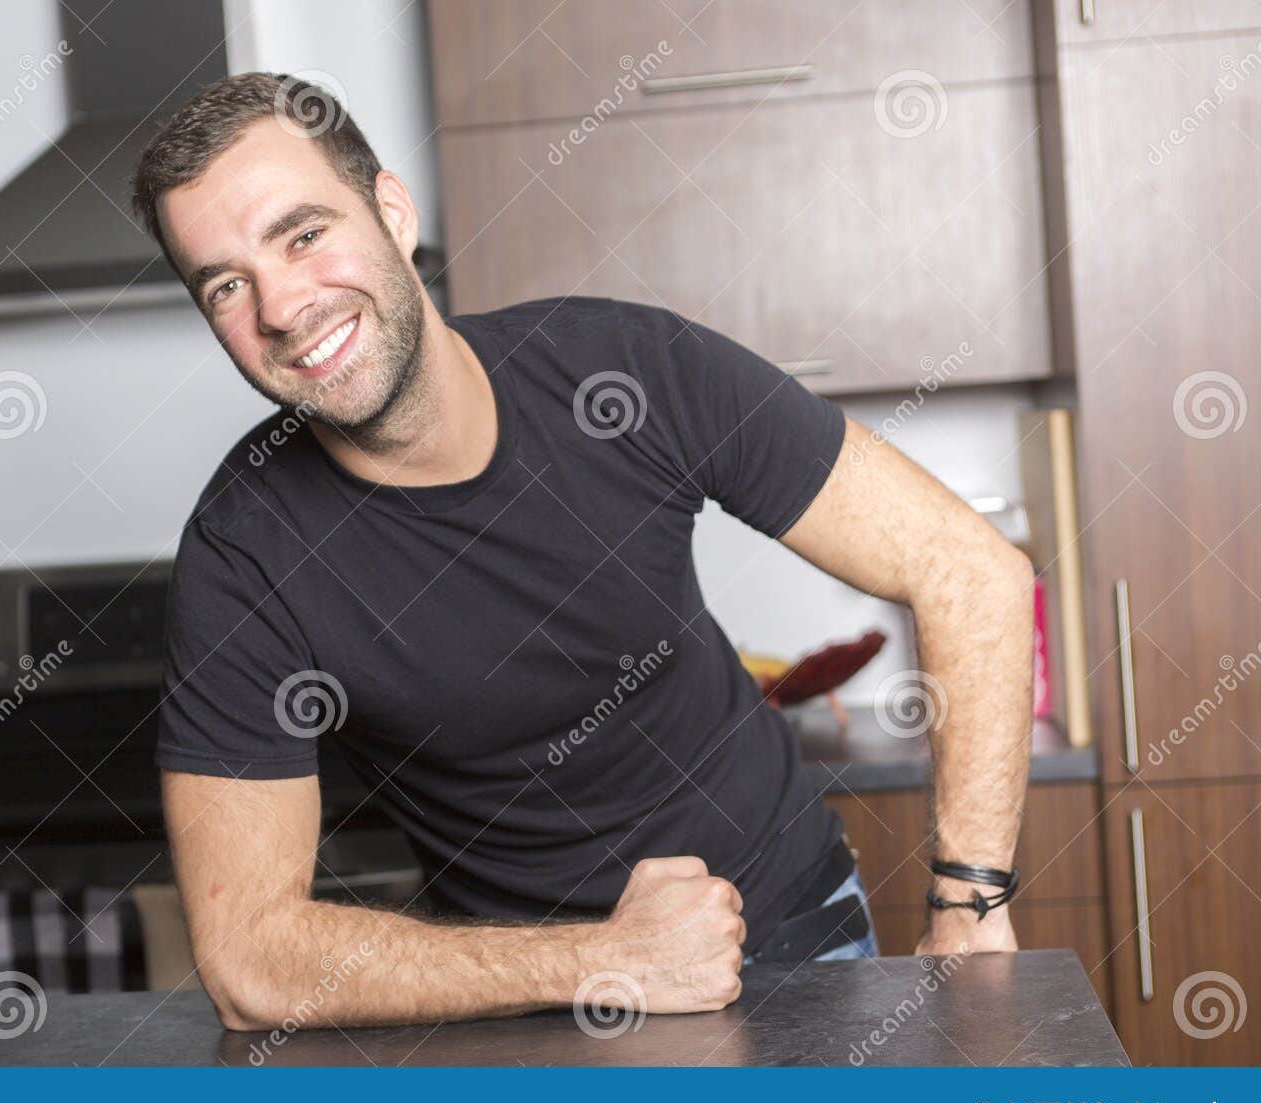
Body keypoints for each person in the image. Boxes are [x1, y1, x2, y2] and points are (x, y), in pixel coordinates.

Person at [131, 73, 1033, 1031]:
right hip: (528, 1004)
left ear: (392, 212)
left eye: (304, 234)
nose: (279, 306)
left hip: (799, 943)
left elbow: (968, 568)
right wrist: (605, 958)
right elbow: (249, 959)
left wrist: (970, 906)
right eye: (226, 285)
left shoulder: (621, 371)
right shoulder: (242, 555)